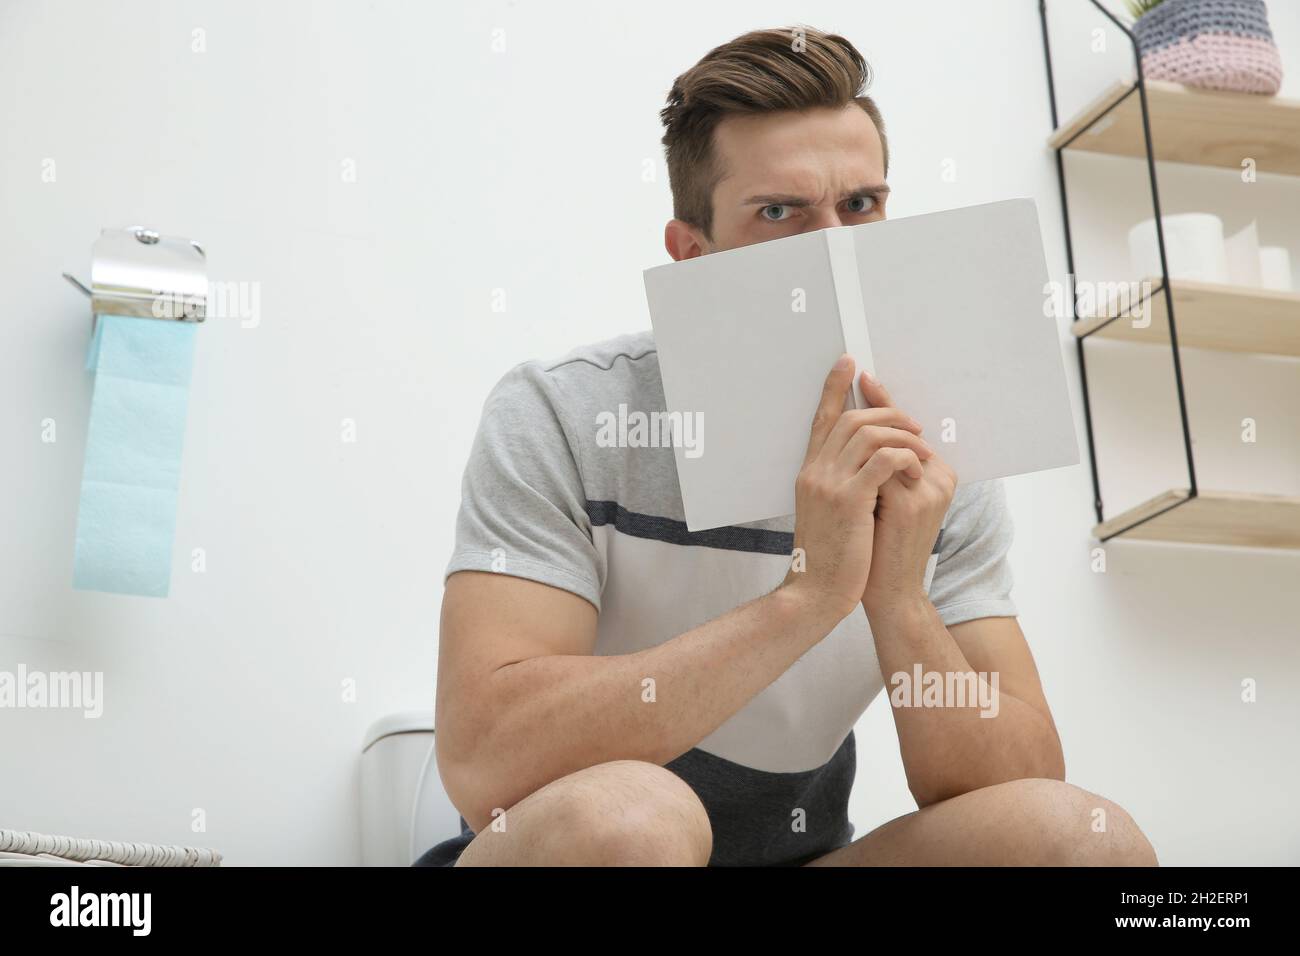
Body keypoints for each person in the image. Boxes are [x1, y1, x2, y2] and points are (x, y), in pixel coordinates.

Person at [419, 25, 1156, 867]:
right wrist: (804, 601)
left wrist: (898, 598)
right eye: (779, 213)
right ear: (691, 254)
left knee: (1080, 841)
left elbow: (1015, 782)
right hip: (582, 847)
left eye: (861, 206)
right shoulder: (564, 412)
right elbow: (484, 763)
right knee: (635, 820)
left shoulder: (937, 443)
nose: (833, 248)